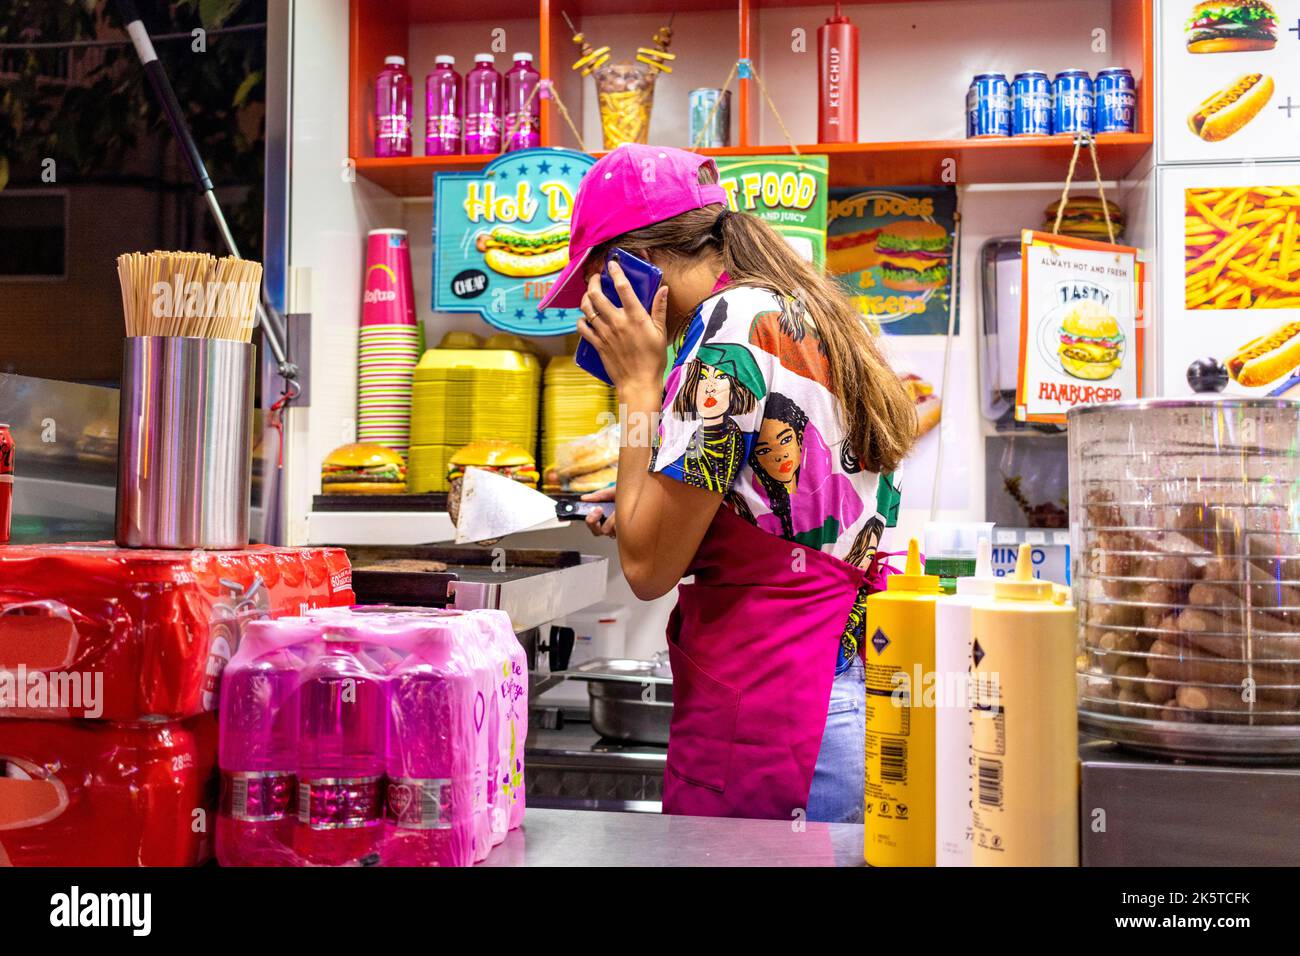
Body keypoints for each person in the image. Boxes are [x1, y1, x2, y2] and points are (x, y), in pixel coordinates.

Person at [537, 145, 916, 823]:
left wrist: (635, 389)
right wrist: (643, 499)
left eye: (594, 280)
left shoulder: (722, 340)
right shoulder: (789, 310)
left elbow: (648, 568)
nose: (589, 307)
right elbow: (769, 505)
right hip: (832, 690)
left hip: (780, 715)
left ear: (632, 266)